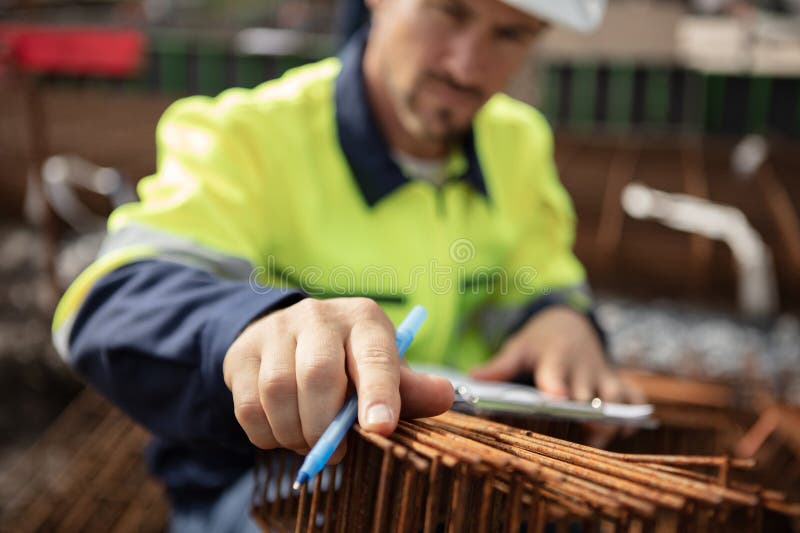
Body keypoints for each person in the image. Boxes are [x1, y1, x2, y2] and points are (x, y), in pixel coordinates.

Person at [52, 0, 641, 530]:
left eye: (510, 33)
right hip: (265, 486)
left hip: (453, 477)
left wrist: (560, 318)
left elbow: (540, 276)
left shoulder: (518, 144)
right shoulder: (247, 137)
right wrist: (250, 328)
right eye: (450, 12)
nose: (467, 67)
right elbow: (116, 297)